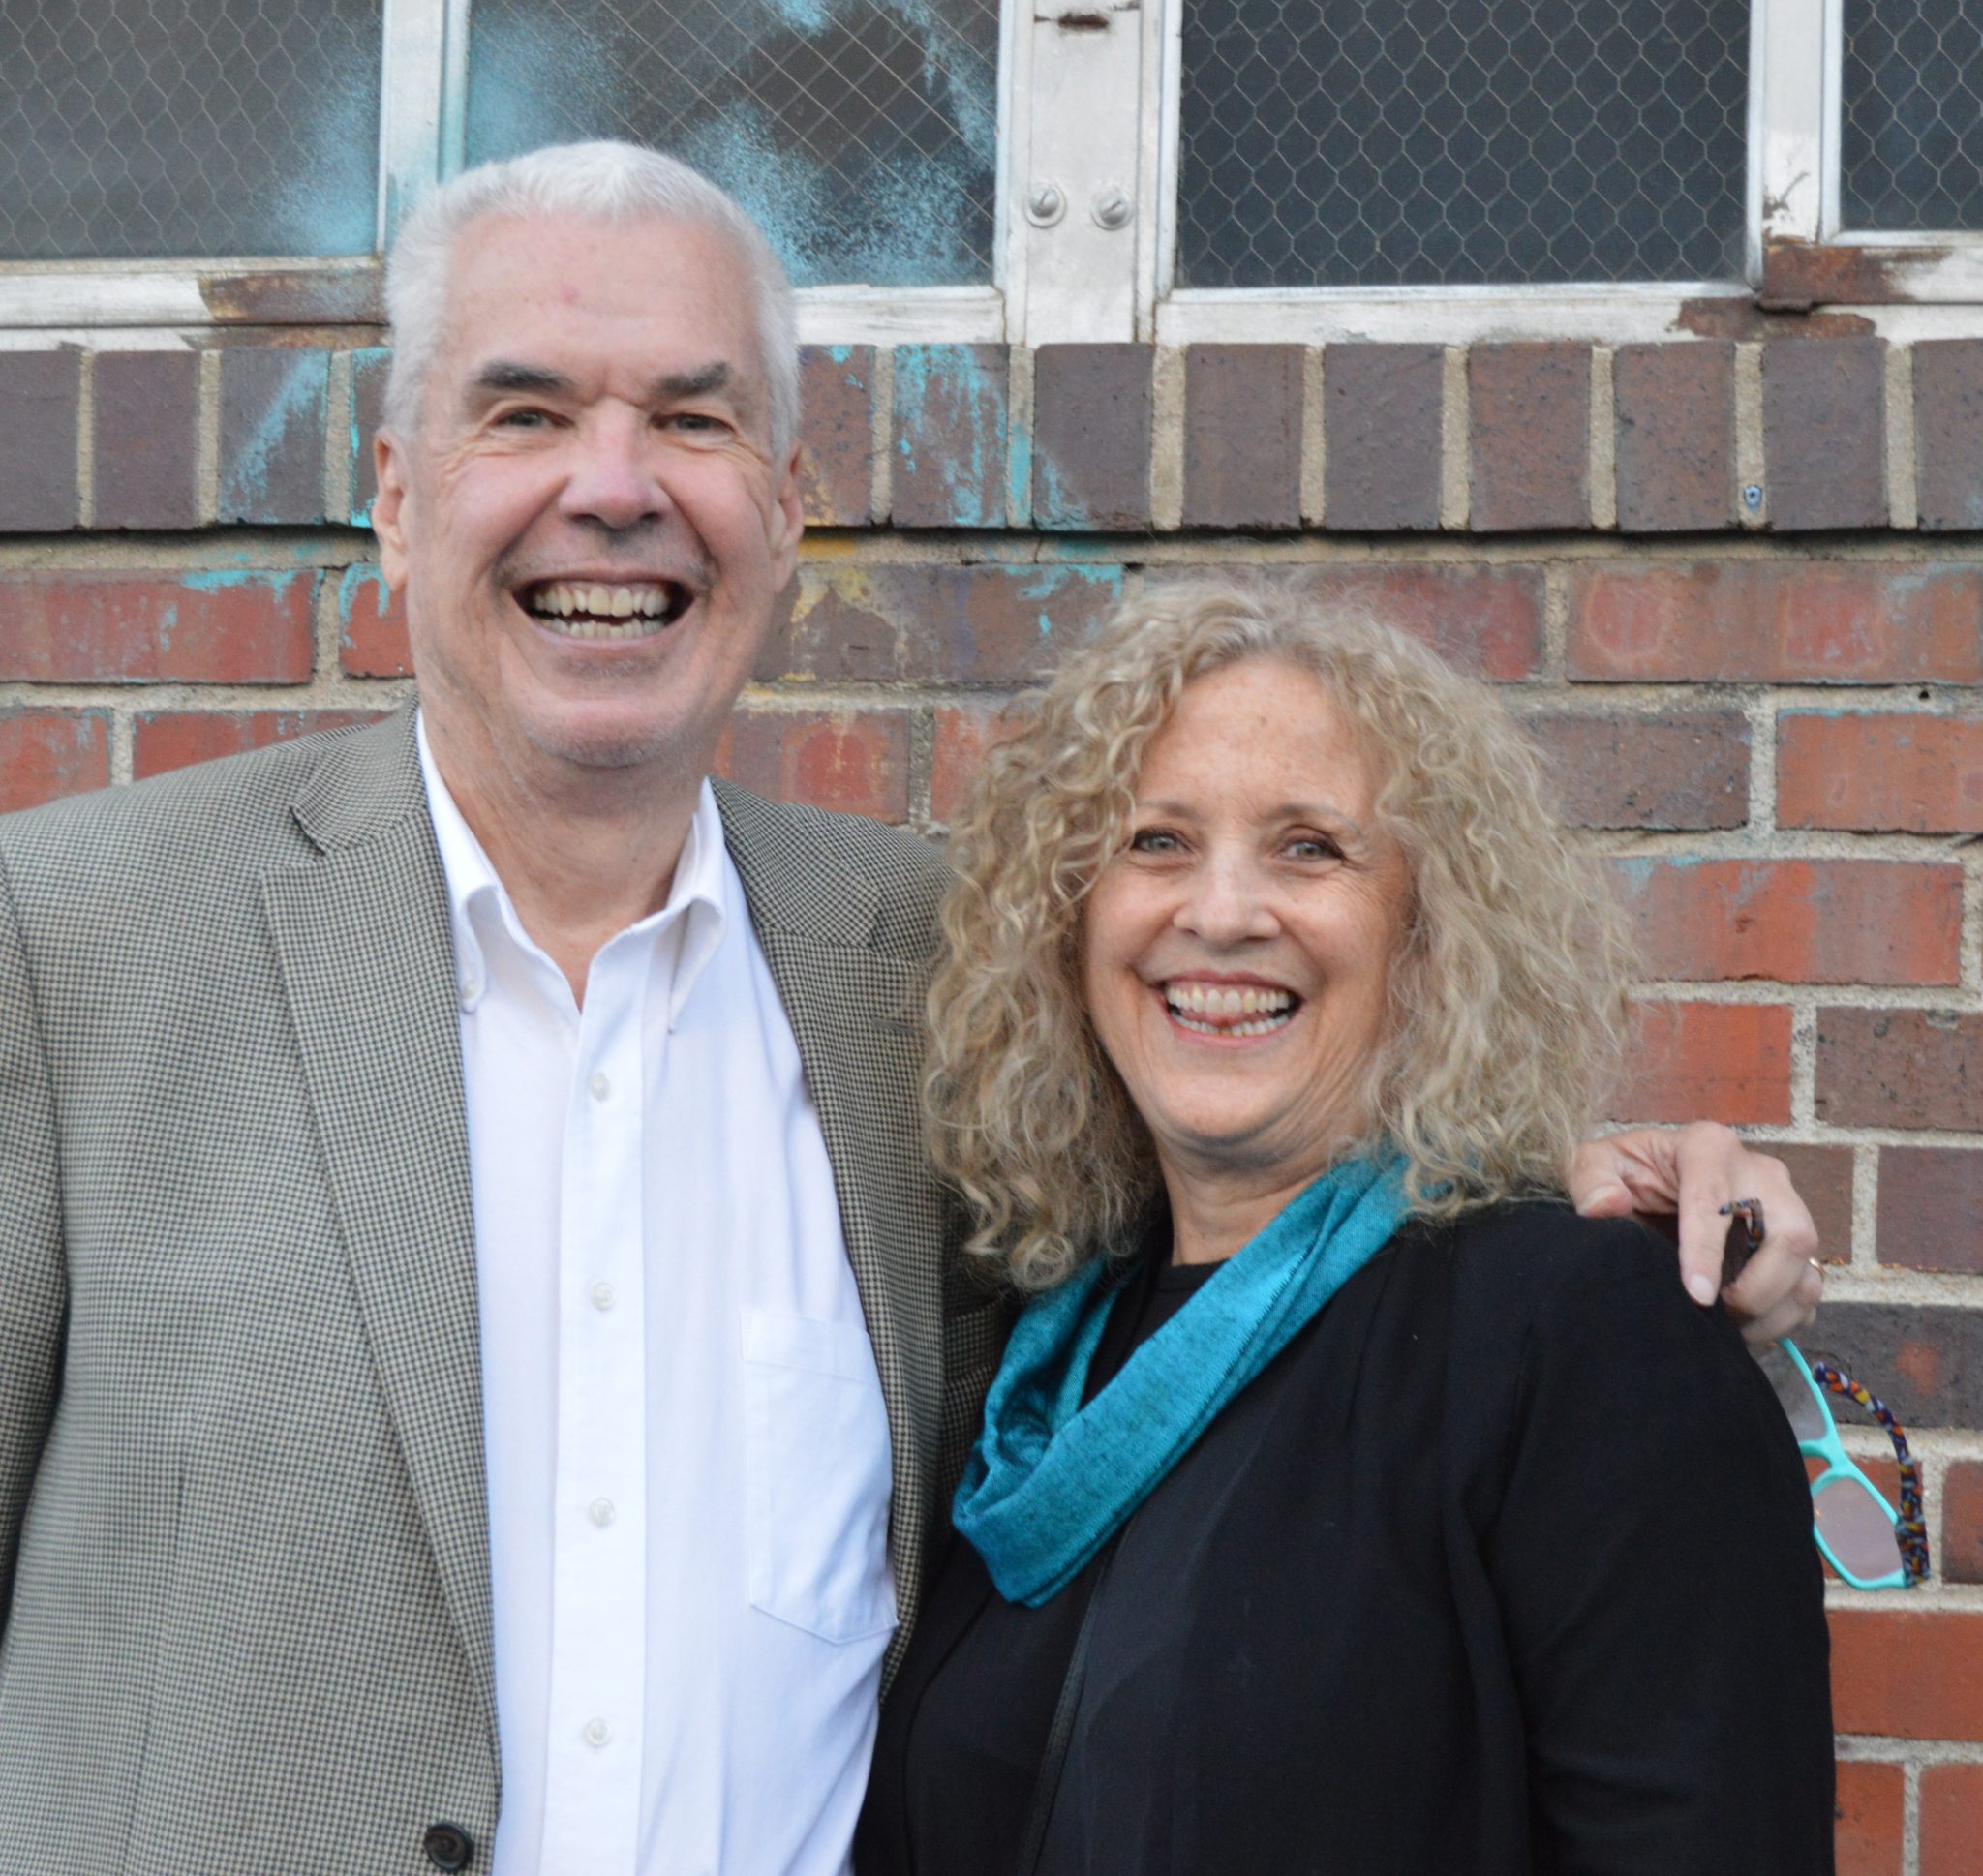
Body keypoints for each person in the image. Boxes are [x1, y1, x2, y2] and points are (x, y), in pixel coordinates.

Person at [0, 142, 1817, 1876]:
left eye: (696, 418)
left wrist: (1565, 1194)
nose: (616, 486)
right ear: (394, 497)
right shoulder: (75, 942)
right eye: (528, 409)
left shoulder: (905, 972)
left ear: (787, 513)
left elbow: (1284, 1233)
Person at [859, 584, 1834, 1875]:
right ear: (1067, 916)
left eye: (1309, 847)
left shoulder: (1583, 1333)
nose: (1217, 912)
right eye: (1153, 841)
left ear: (1427, 929)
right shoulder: (1044, 1349)